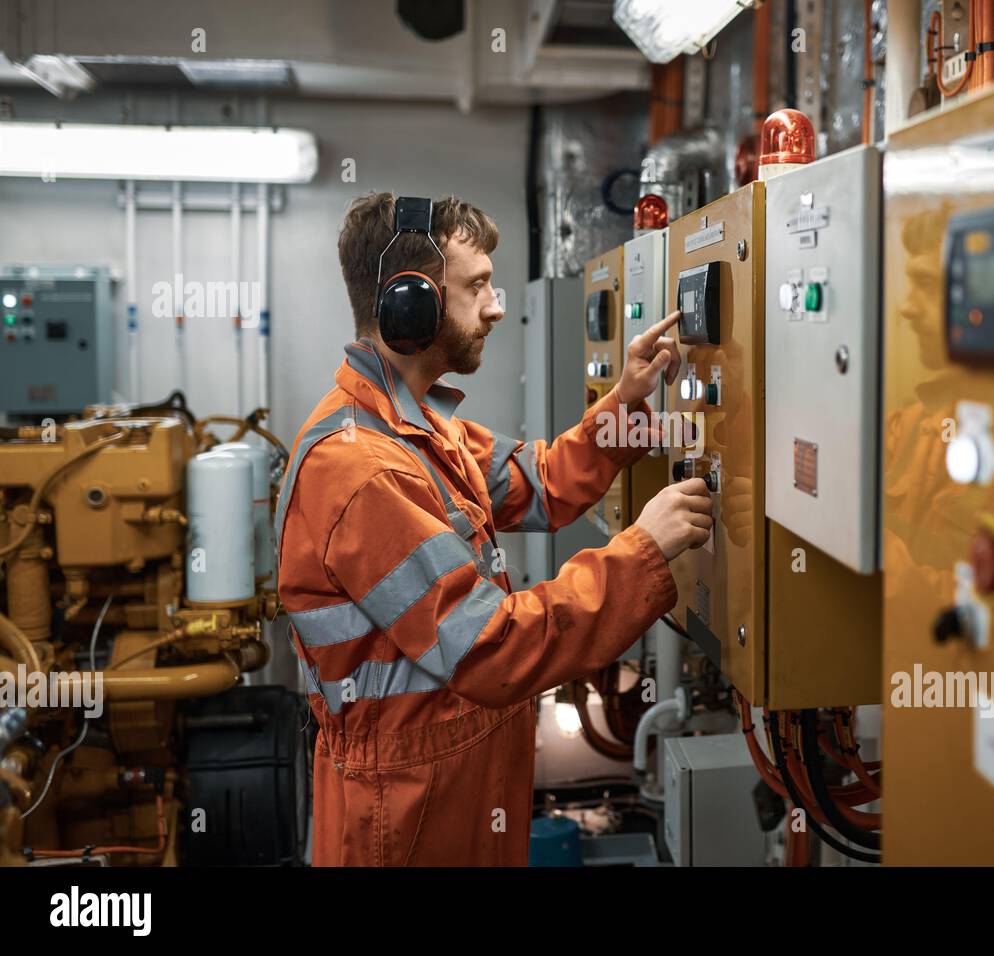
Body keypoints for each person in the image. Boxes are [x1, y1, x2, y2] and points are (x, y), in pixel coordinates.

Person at [275, 192, 712, 865]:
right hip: (409, 814)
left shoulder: (420, 429)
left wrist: (624, 406)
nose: (496, 306)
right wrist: (642, 556)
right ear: (410, 304)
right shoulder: (363, 471)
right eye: (476, 287)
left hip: (458, 784)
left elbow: (543, 481)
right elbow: (492, 649)